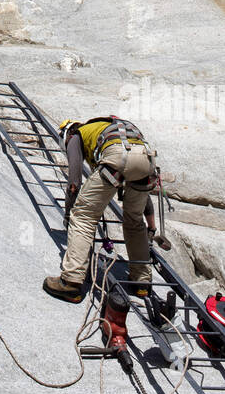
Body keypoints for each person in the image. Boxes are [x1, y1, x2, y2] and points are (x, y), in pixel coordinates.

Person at [43, 115, 158, 303]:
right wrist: (151, 226)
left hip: (118, 158)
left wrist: (69, 214)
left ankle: (71, 282)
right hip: (147, 161)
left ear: (67, 135)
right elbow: (143, 195)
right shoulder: (112, 129)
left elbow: (74, 183)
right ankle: (141, 282)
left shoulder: (76, 136)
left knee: (83, 216)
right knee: (134, 220)